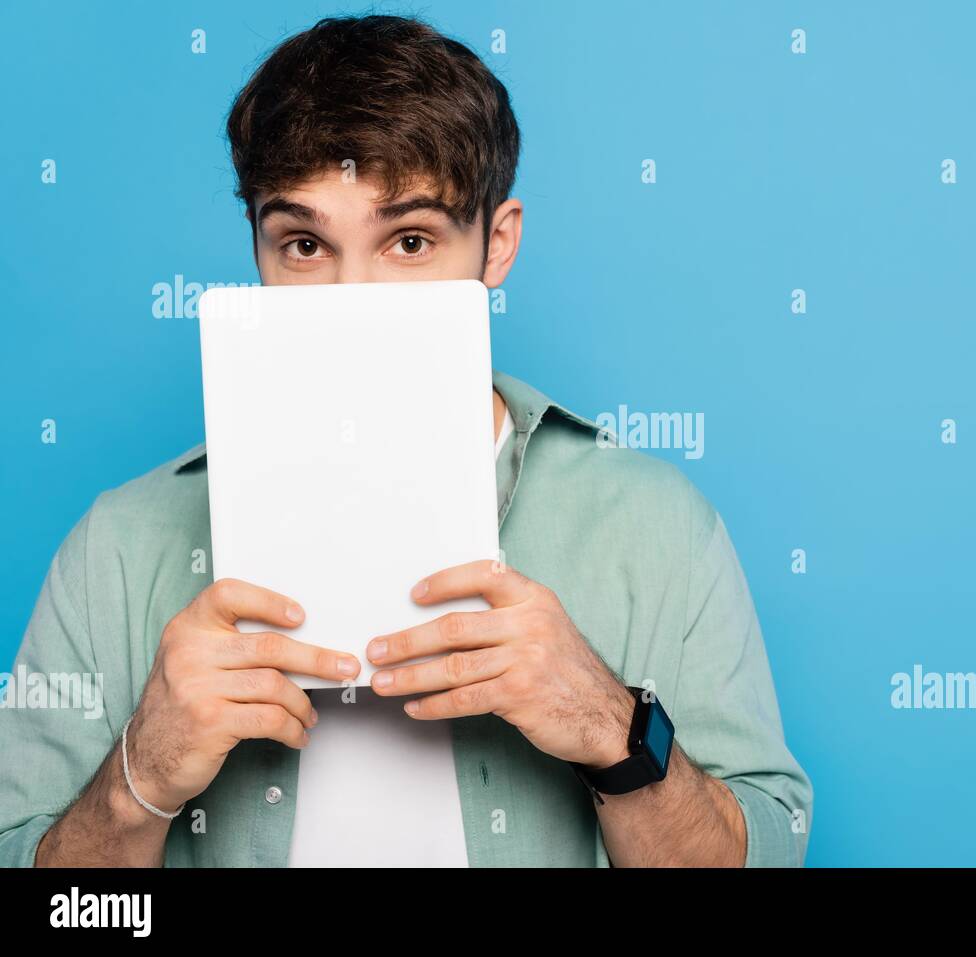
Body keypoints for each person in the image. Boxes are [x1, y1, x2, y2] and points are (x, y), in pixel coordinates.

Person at [0, 14, 812, 867]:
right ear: (258, 251)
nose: (356, 298)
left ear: (497, 244)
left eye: (411, 240)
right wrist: (143, 772)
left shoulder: (660, 529)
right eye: (306, 245)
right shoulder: (116, 549)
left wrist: (614, 728)